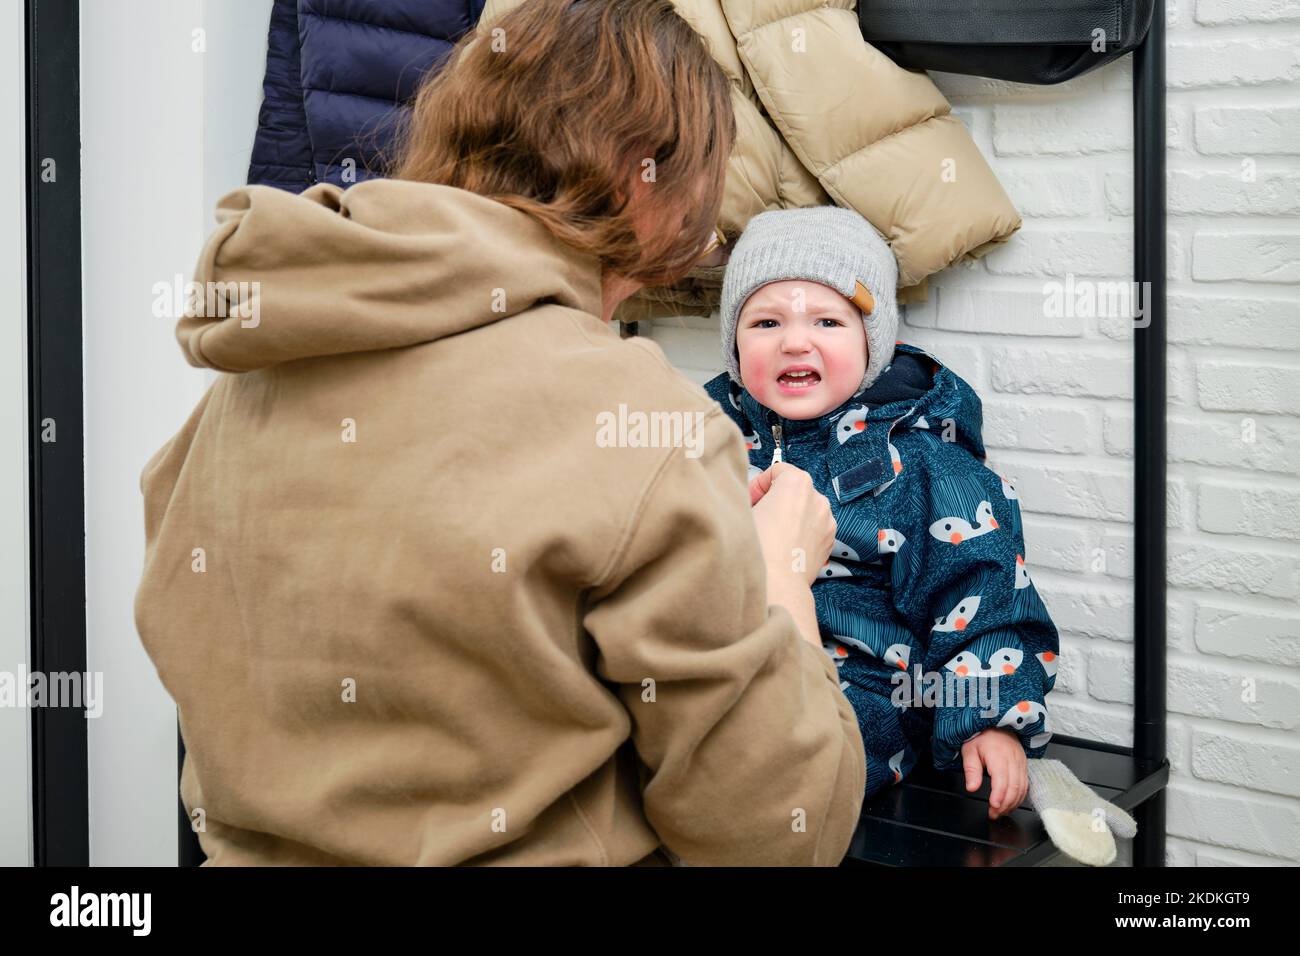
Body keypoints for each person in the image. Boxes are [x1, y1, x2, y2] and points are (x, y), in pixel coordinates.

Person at [134, 0, 865, 867]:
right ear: (645, 178)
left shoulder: (242, 387)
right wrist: (781, 577)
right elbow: (772, 836)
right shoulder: (646, 425)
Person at [704, 206, 1061, 821]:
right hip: (722, 656)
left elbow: (983, 594)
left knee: (770, 768)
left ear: (874, 341)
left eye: (827, 320)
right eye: (765, 321)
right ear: (735, 343)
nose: (794, 340)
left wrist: (991, 722)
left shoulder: (924, 466)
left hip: (866, 688)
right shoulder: (709, 443)